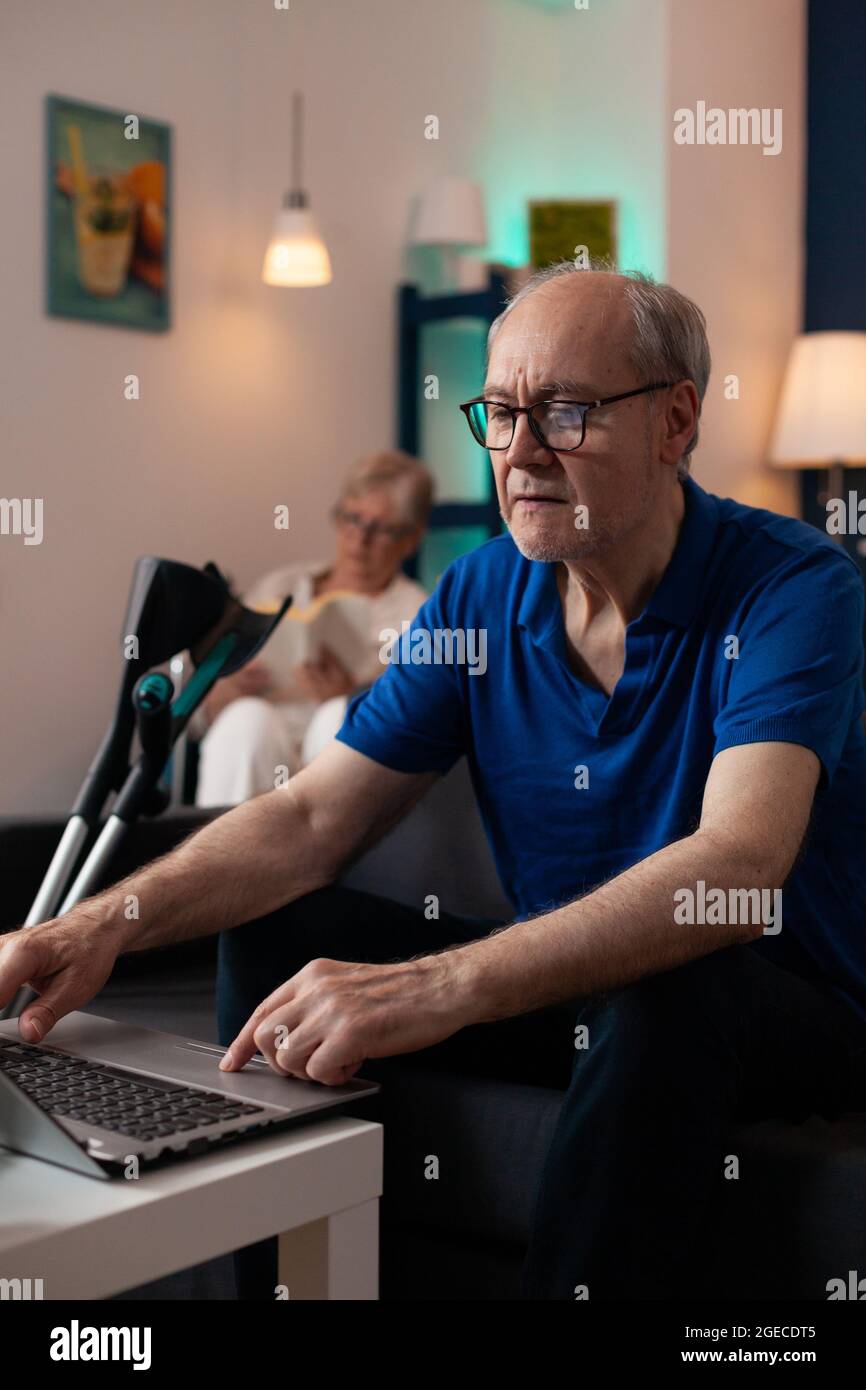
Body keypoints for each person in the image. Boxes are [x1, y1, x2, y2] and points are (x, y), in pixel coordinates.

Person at [4, 263, 866, 1301]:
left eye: (563, 412)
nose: (521, 454)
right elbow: (312, 815)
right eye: (498, 414)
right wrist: (97, 924)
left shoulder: (791, 584)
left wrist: (440, 985)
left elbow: (740, 863)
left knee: (670, 990)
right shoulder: (481, 588)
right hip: (575, 983)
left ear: (673, 420)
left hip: (772, 1003)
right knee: (287, 926)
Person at [194, 450, 431, 805]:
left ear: (411, 539)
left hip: (334, 765)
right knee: (245, 719)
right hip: (262, 749)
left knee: (340, 715)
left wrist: (350, 694)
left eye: (380, 529)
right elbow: (200, 717)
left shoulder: (420, 615)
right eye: (352, 518)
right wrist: (225, 690)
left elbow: (418, 726)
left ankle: (320, 849)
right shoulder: (280, 587)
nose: (359, 539)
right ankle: (222, 856)